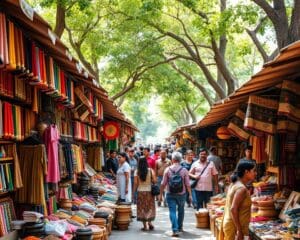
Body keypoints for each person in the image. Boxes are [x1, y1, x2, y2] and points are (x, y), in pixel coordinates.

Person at [222, 160, 256, 240]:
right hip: (235, 227)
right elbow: (233, 209)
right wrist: (239, 230)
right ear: (246, 172)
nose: (255, 173)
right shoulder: (241, 188)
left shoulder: (234, 184)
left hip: (232, 225)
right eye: (254, 171)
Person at [160, 151, 192, 237]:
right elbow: (188, 184)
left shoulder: (167, 169)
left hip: (170, 193)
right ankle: (180, 227)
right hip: (182, 194)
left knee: (172, 211)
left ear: (173, 159)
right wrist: (190, 195)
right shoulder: (184, 170)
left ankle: (175, 230)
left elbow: (163, 183)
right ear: (180, 160)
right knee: (181, 210)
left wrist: (160, 195)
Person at [134, 156, 156, 231]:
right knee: (149, 207)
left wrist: (133, 192)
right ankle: (149, 223)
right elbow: (155, 181)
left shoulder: (137, 171)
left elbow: (136, 183)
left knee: (142, 208)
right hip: (149, 191)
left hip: (140, 191)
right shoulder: (150, 170)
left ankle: (144, 226)